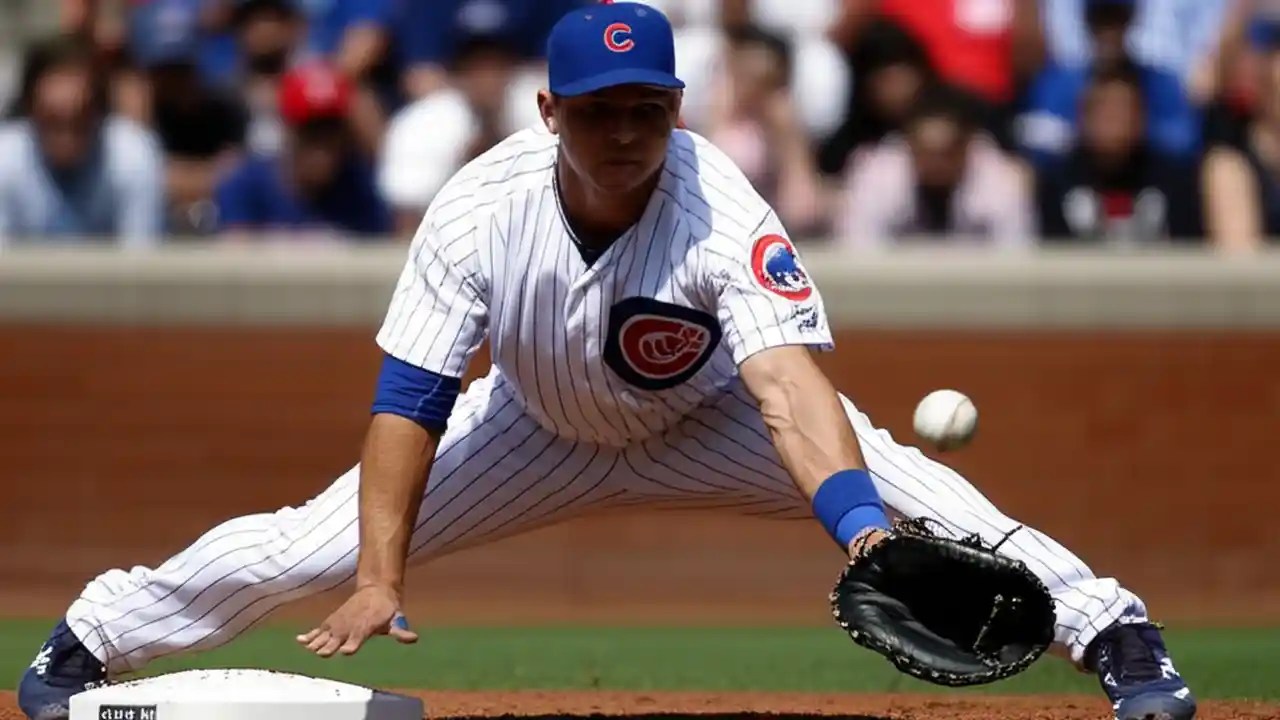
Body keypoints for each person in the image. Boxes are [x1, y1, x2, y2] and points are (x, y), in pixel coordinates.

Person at [16, 7, 1196, 720]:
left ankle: (1120, 643)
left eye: (644, 107)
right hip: (529, 426)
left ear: (677, 107)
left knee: (929, 501)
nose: (623, 130)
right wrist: (381, 574)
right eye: (596, 110)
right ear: (547, 110)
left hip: (714, 416)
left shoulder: (720, 207)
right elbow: (409, 400)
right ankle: (88, 644)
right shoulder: (477, 210)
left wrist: (862, 538)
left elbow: (790, 388)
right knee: (307, 545)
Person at [0, 35, 164, 248]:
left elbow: (143, 267)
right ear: (29, 109)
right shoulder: (4, 159)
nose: (66, 134)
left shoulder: (133, 156)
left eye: (78, 118)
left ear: (99, 111)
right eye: (53, 119)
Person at [836, 85, 1035, 248]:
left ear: (968, 146)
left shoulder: (1003, 179)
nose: (935, 163)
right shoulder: (874, 174)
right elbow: (856, 251)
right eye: (925, 152)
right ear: (908, 144)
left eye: (946, 152)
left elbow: (1016, 256)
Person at [211, 62, 390, 238]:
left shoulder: (362, 193)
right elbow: (234, 259)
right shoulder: (245, 186)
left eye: (332, 129)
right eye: (311, 130)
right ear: (288, 130)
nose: (322, 144)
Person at [1036, 64, 1203, 244]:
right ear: (1083, 118)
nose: (1114, 120)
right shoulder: (1055, 182)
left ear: (1141, 118)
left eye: (1123, 109)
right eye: (1104, 110)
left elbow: (1190, 254)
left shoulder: (1175, 181)